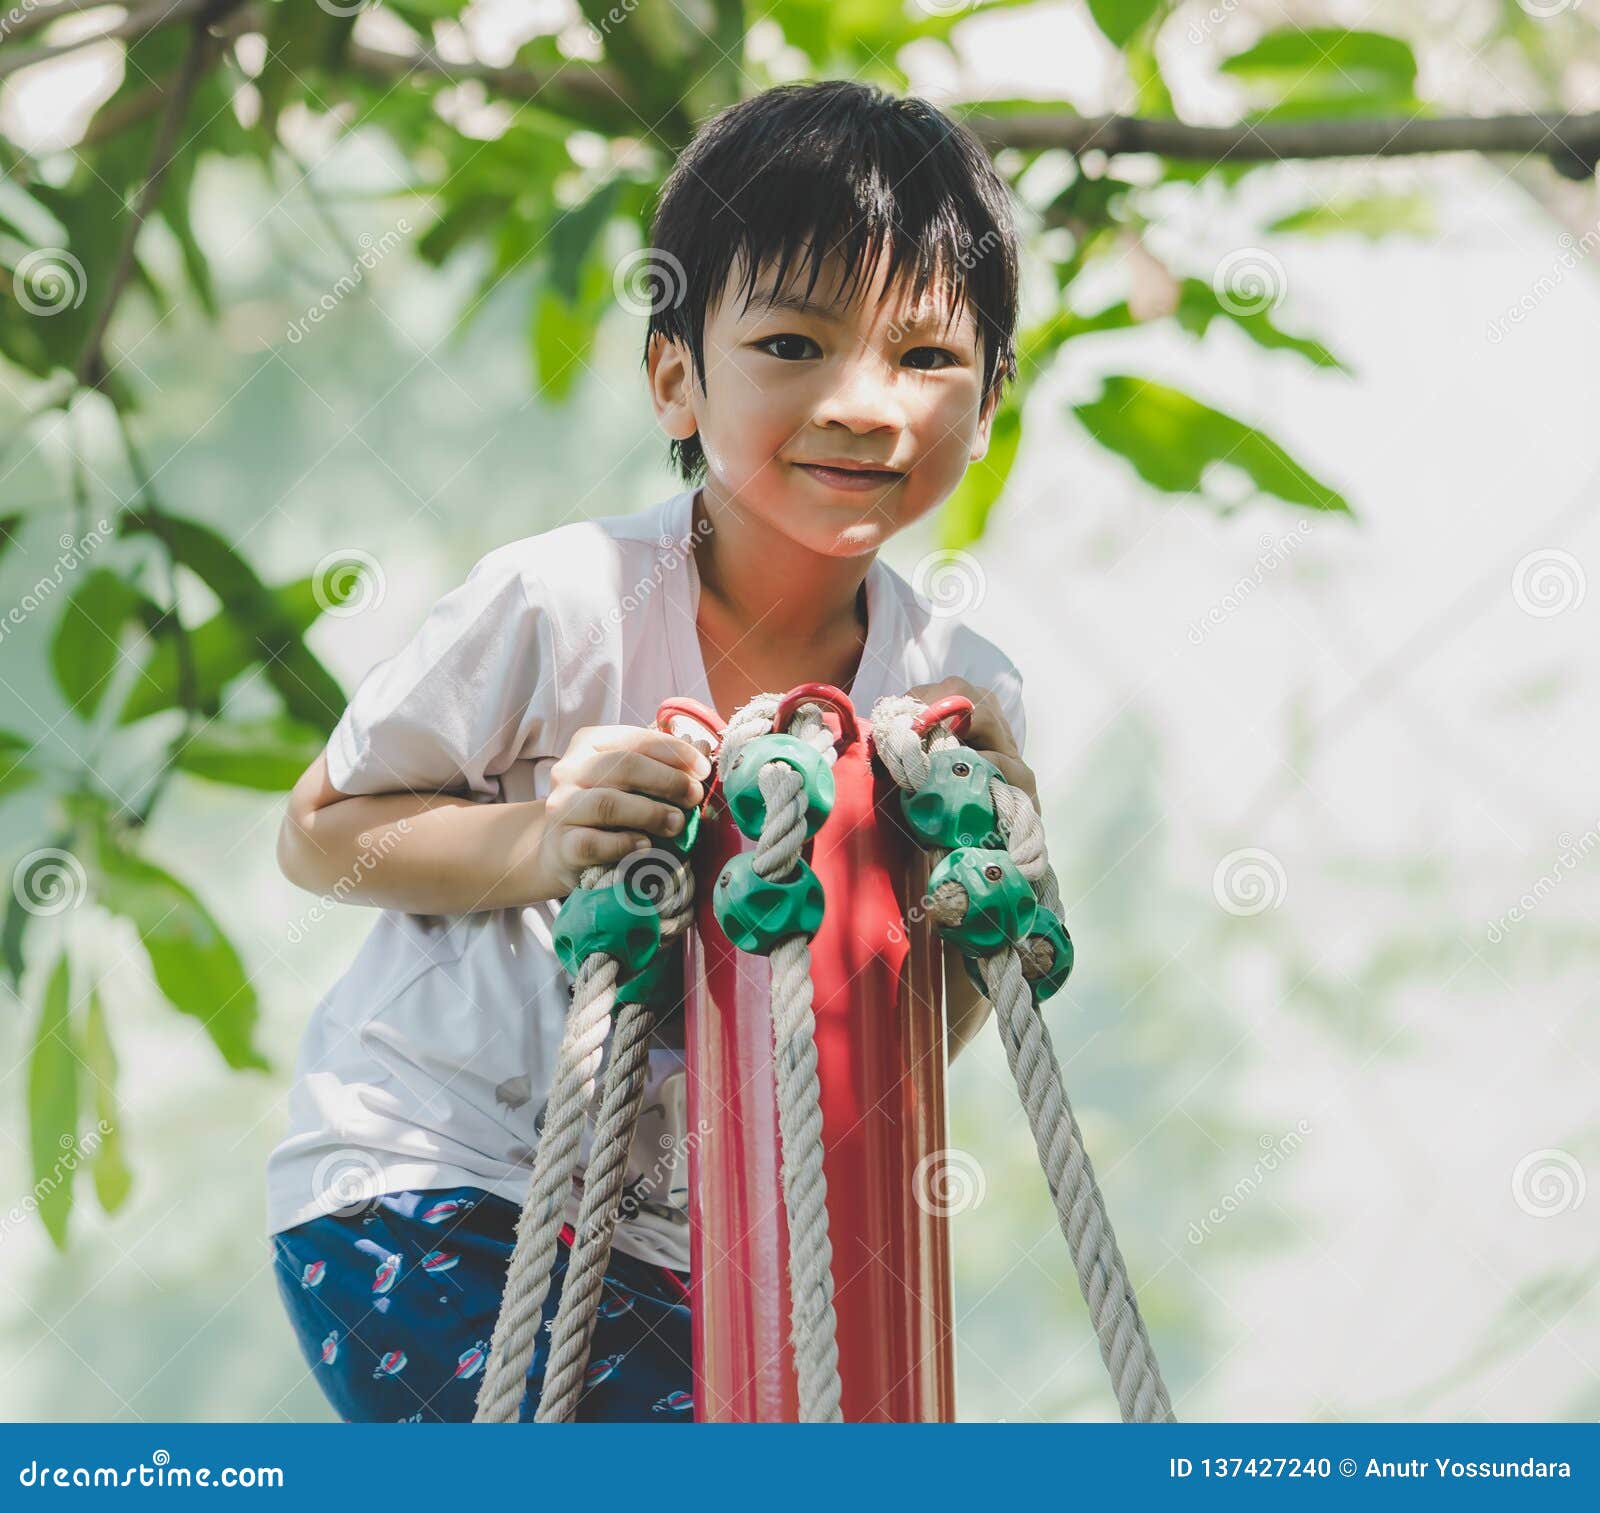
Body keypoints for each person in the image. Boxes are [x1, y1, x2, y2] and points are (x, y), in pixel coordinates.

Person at [267, 78, 1040, 1424]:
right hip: (439, 1186)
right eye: (796, 344)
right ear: (677, 375)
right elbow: (320, 834)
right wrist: (543, 841)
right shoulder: (561, 603)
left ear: (989, 400)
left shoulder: (952, 692)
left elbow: (913, 1044)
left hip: (699, 1246)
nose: (866, 406)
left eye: (925, 358)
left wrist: (981, 901)